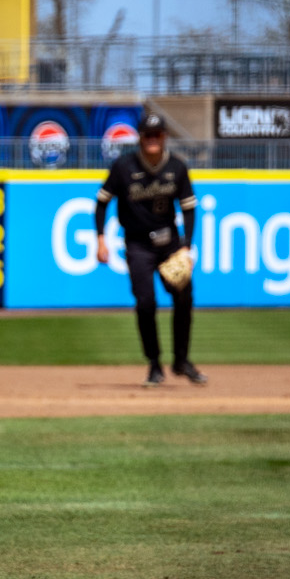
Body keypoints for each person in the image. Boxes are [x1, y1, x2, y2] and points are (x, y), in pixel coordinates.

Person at [94, 113, 202, 386]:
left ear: (164, 137)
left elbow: (189, 209)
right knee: (145, 303)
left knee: (184, 296)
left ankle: (181, 361)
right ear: (141, 138)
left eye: (157, 135)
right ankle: (154, 364)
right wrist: (100, 238)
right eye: (147, 135)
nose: (153, 140)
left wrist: (186, 247)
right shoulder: (123, 167)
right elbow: (101, 202)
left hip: (169, 244)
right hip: (138, 244)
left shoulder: (177, 167)